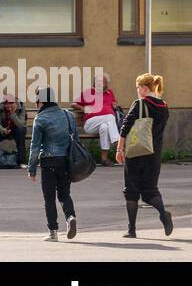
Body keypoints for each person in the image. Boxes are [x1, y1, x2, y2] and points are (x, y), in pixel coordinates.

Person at [115, 73, 173, 238]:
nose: (137, 90)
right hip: (154, 154)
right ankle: (163, 214)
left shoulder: (139, 104)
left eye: (138, 87)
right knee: (150, 190)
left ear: (144, 88)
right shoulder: (164, 105)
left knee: (131, 190)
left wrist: (120, 149)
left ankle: (131, 230)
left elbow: (125, 127)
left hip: (136, 152)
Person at [25, 87, 77, 242]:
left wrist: (31, 168)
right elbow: (76, 140)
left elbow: (35, 147)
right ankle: (70, 217)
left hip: (48, 162)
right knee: (64, 194)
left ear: (40, 100)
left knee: (49, 198)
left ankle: (53, 232)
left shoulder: (40, 119)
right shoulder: (68, 115)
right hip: (66, 161)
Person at [75, 73, 120, 166]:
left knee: (104, 128)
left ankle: (104, 159)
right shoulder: (88, 92)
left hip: (104, 123)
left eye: (102, 81)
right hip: (91, 124)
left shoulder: (110, 93)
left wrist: (114, 105)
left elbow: (114, 103)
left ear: (106, 83)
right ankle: (118, 144)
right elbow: (74, 104)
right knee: (110, 117)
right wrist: (83, 109)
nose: (99, 83)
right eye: (97, 81)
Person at [1, 92, 26, 165]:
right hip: (3, 129)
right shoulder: (1, 107)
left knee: (21, 131)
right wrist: (3, 130)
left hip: (16, 129)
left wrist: (13, 113)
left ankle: (21, 162)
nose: (8, 105)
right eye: (6, 104)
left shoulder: (21, 106)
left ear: (15, 103)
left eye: (11, 103)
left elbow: (21, 125)